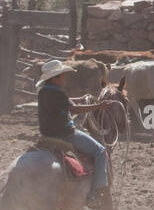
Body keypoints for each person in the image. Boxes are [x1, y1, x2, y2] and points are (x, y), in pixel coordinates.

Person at [35, 59, 118, 200]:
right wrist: (99, 107)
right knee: (100, 151)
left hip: (46, 134)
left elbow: (66, 102)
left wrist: (80, 98)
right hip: (66, 135)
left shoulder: (43, 92)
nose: (65, 79)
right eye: (62, 76)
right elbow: (75, 109)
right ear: (55, 78)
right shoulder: (59, 93)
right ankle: (97, 191)